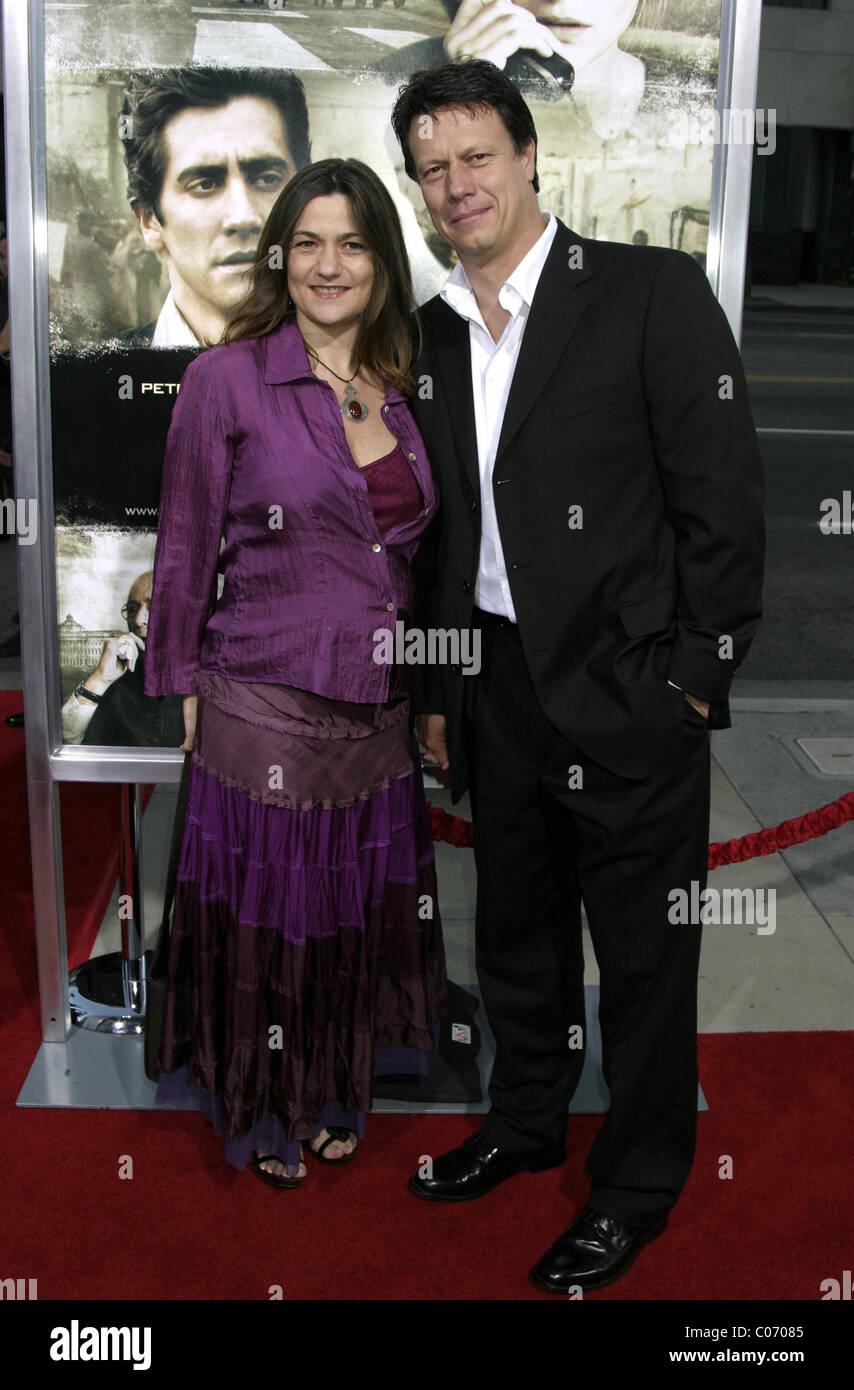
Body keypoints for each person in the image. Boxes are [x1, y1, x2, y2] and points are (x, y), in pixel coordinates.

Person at [391, 60, 764, 1291]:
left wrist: (694, 685)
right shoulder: (435, 330)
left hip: (629, 692)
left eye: (477, 156)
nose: (458, 184)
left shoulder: (648, 294)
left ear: (529, 156)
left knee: (647, 961)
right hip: (494, 688)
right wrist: (441, 695)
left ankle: (641, 1181)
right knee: (516, 939)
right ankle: (523, 1119)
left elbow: (721, 508)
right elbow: (447, 543)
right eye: (433, 167)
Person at [143, 157, 447, 1186]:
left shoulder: (407, 383)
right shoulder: (225, 378)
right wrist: (180, 680)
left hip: (377, 713)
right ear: (281, 256)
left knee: (351, 917)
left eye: (352, 243)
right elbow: (184, 545)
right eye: (307, 242)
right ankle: (265, 1106)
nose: (328, 265)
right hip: (261, 697)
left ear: (380, 259)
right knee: (274, 924)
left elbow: (418, 552)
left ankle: (332, 1085)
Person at [119, 67, 311, 346]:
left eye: (267, 179)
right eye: (205, 184)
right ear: (149, 220)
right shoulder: (99, 378)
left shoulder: (368, 368)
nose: (244, 217)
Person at [60, 570, 184, 747]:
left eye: (155, 606)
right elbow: (66, 744)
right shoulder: (117, 674)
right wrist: (100, 679)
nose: (139, 620)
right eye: (133, 609)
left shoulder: (212, 677)